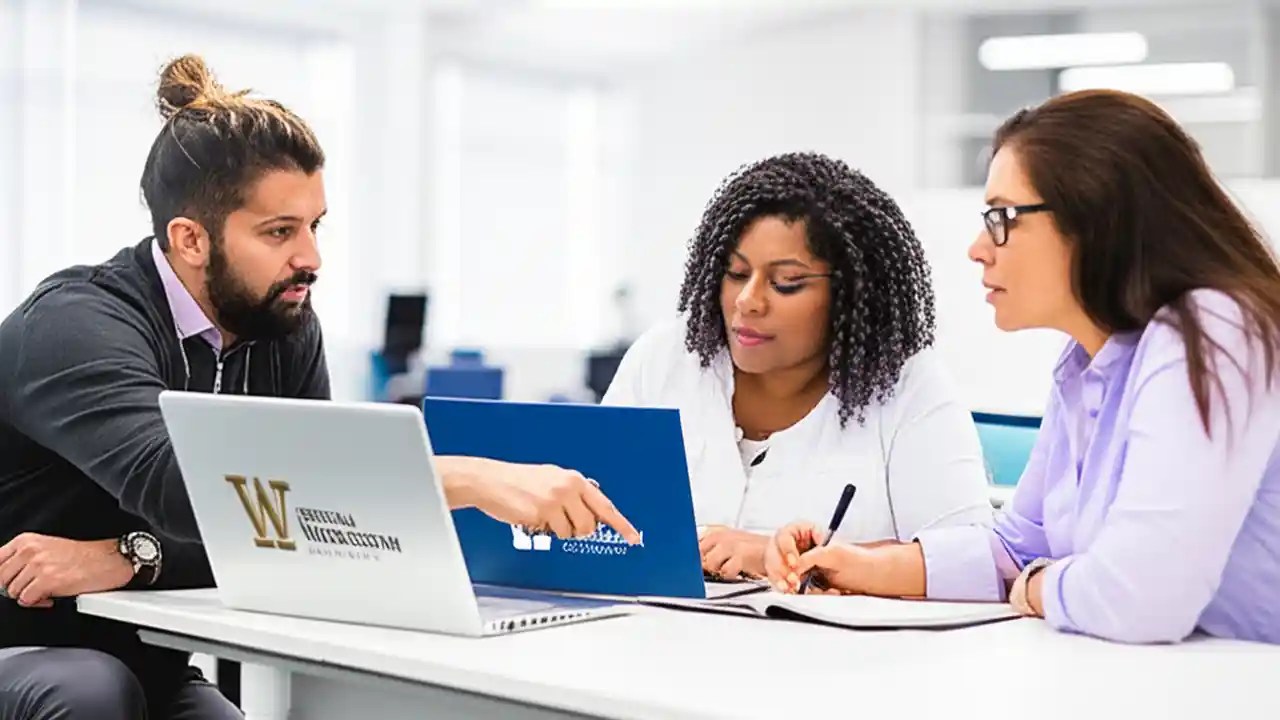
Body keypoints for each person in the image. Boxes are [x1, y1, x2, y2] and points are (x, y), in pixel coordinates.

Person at [0, 55, 639, 720]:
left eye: (315, 225)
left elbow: (305, 542)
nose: (311, 258)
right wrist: (464, 478)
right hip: (29, 648)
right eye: (280, 232)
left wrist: (135, 557)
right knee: (91, 693)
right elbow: (183, 485)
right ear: (190, 240)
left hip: (148, 662)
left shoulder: (284, 326)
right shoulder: (73, 326)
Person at [764, 90, 1280, 645]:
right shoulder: (1083, 363)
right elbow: (1016, 548)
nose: (977, 248)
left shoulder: (1215, 330)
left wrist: (1037, 587)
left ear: (1095, 215)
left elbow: (1139, 597)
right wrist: (865, 567)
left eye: (1002, 218)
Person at [603, 152, 993, 580]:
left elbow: (972, 559)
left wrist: (775, 556)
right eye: (736, 273)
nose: (748, 301)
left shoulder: (907, 386)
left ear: (851, 293)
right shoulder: (665, 358)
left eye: (785, 283)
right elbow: (593, 521)